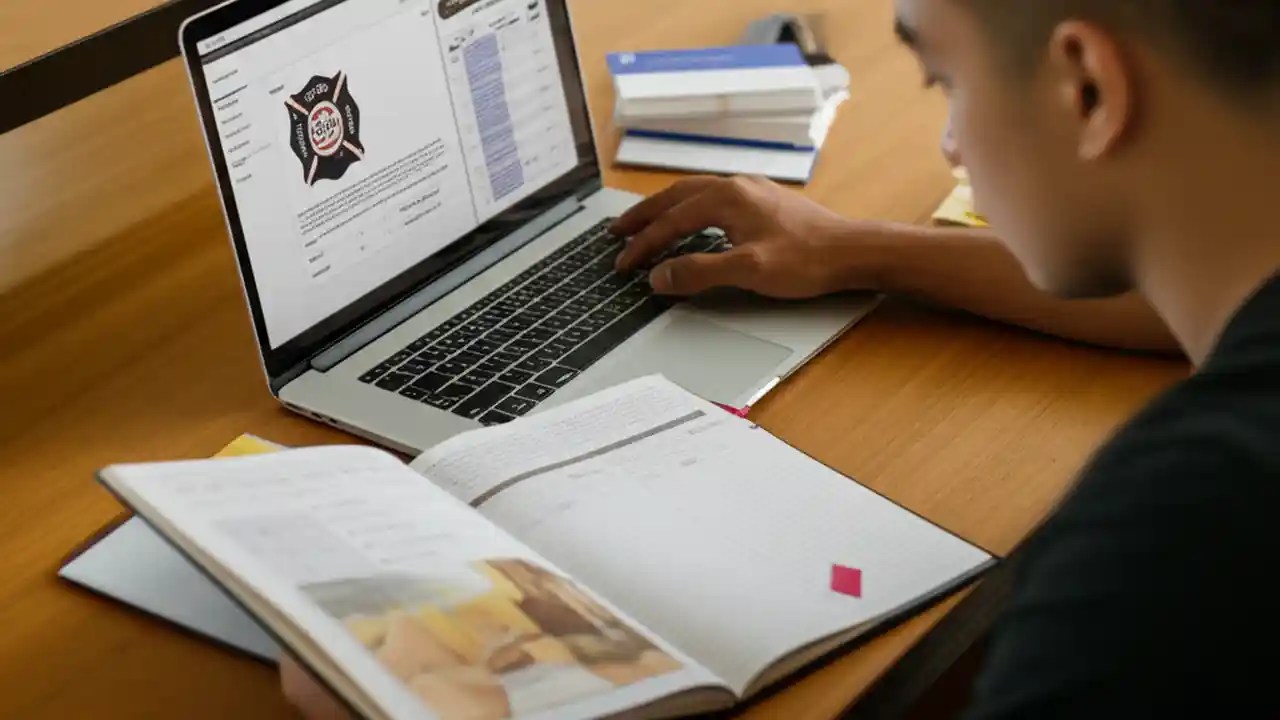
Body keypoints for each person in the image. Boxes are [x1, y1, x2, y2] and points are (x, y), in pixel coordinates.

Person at [284, 0, 1280, 714]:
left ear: (1086, 86)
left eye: (943, 78)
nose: (947, 146)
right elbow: (1164, 300)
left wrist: (412, 698)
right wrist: (854, 247)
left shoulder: (1176, 540)